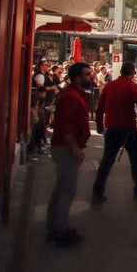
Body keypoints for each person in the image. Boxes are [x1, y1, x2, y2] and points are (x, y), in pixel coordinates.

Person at [92, 62, 137, 203]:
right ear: (132, 73)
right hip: (128, 128)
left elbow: (99, 108)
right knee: (135, 159)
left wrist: (99, 126)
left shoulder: (109, 86)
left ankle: (97, 192)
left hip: (111, 128)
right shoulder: (132, 86)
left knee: (107, 161)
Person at [47, 62, 93, 246]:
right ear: (77, 77)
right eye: (87, 74)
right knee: (68, 190)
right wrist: (74, 147)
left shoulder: (73, 94)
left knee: (61, 189)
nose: (90, 77)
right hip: (66, 148)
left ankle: (53, 227)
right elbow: (65, 126)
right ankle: (61, 231)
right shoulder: (70, 97)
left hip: (65, 147)